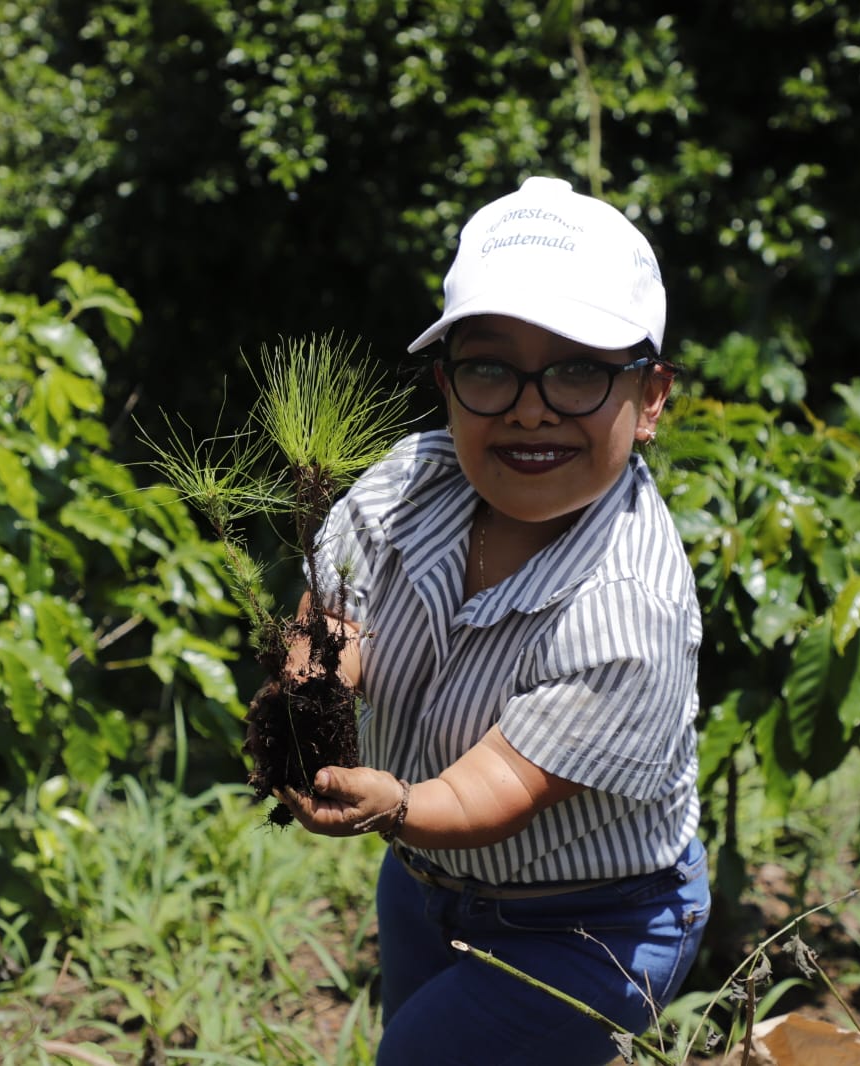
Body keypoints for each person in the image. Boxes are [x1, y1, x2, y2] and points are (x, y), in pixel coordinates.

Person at [276, 175, 708, 1065]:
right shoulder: (406, 485)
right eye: (490, 367)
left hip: (596, 922)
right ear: (446, 382)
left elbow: (496, 792)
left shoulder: (628, 603)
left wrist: (392, 801)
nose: (530, 402)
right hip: (425, 879)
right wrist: (308, 698)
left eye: (581, 369)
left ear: (653, 396)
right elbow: (335, 620)